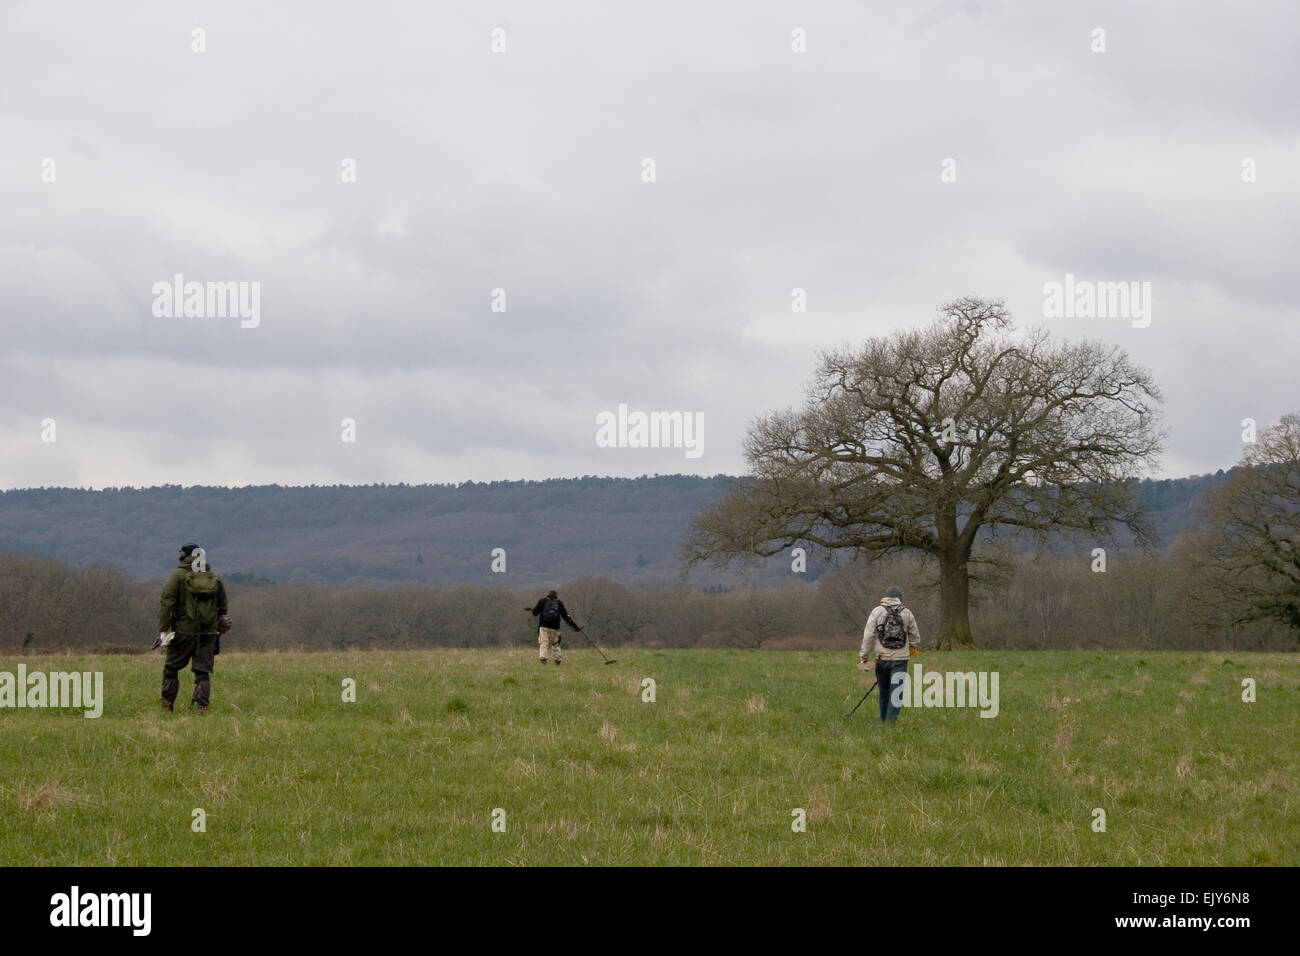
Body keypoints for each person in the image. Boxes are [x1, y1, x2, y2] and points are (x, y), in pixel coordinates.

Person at [157, 543, 229, 713]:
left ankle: (167, 706)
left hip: (183, 632)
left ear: (183, 555)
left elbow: (167, 603)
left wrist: (163, 630)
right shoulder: (212, 577)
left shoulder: (177, 576)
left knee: (171, 669)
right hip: (208, 633)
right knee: (202, 672)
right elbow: (223, 606)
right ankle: (201, 708)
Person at [859, 585, 920, 723]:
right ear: (899, 598)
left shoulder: (877, 611)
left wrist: (864, 657)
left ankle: (883, 719)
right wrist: (913, 646)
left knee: (884, 690)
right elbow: (915, 635)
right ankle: (890, 723)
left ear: (885, 597)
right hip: (901, 659)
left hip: (881, 658)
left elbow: (868, 636)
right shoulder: (906, 612)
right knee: (896, 692)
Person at [529, 590, 579, 665]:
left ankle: (543, 659)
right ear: (556, 596)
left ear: (548, 595)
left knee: (544, 643)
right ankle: (557, 660)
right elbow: (566, 616)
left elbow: (535, 613)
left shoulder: (542, 601)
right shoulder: (559, 603)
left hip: (543, 627)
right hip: (555, 628)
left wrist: (532, 610)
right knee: (556, 644)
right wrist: (575, 626)